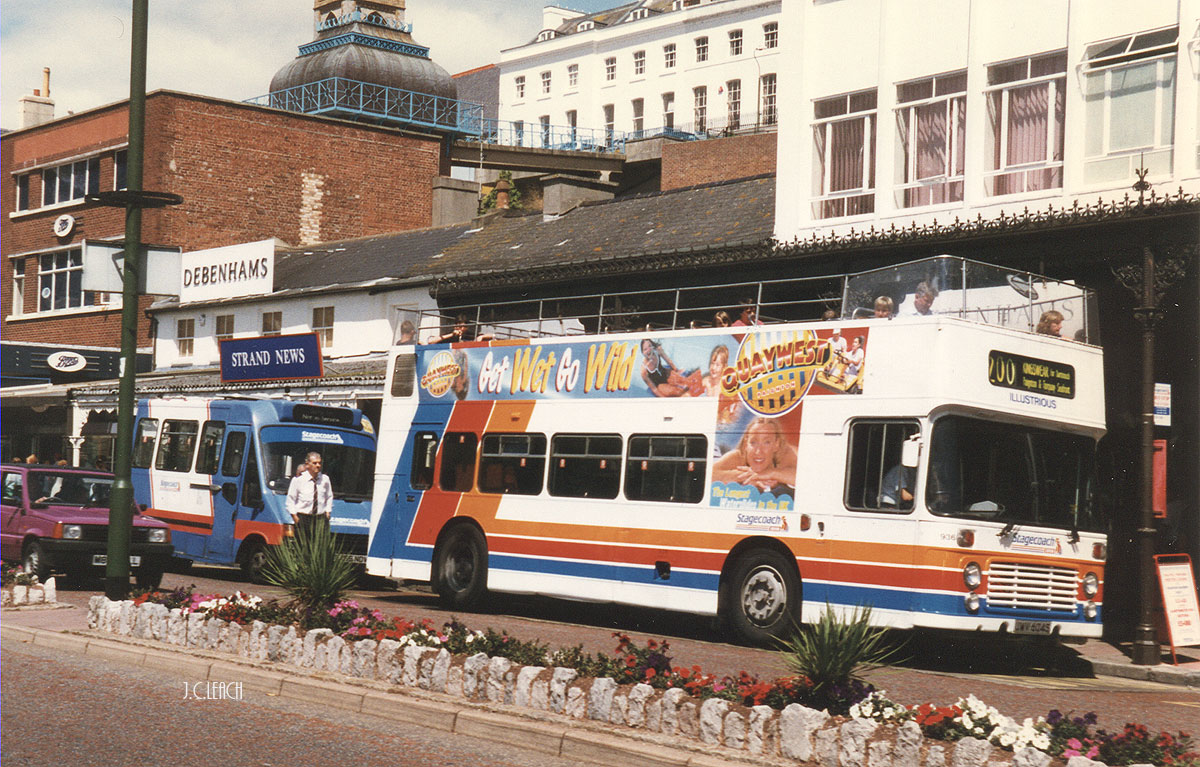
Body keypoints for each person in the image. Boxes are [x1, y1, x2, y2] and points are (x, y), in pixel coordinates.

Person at [713, 417, 797, 495]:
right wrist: (745, 476)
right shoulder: (739, 456)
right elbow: (709, 474)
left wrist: (772, 473)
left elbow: (805, 478)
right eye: (753, 442)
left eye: (767, 442)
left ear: (776, 444)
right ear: (746, 443)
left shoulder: (786, 455)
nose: (758, 451)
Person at [286, 451, 333, 537]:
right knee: (303, 546)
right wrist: (295, 517)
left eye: (319, 463)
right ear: (307, 464)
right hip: (304, 518)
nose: (318, 465)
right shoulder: (298, 480)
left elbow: (329, 496)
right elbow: (290, 500)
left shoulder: (325, 479)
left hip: (320, 518)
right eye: (315, 463)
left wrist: (328, 512)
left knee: (319, 546)